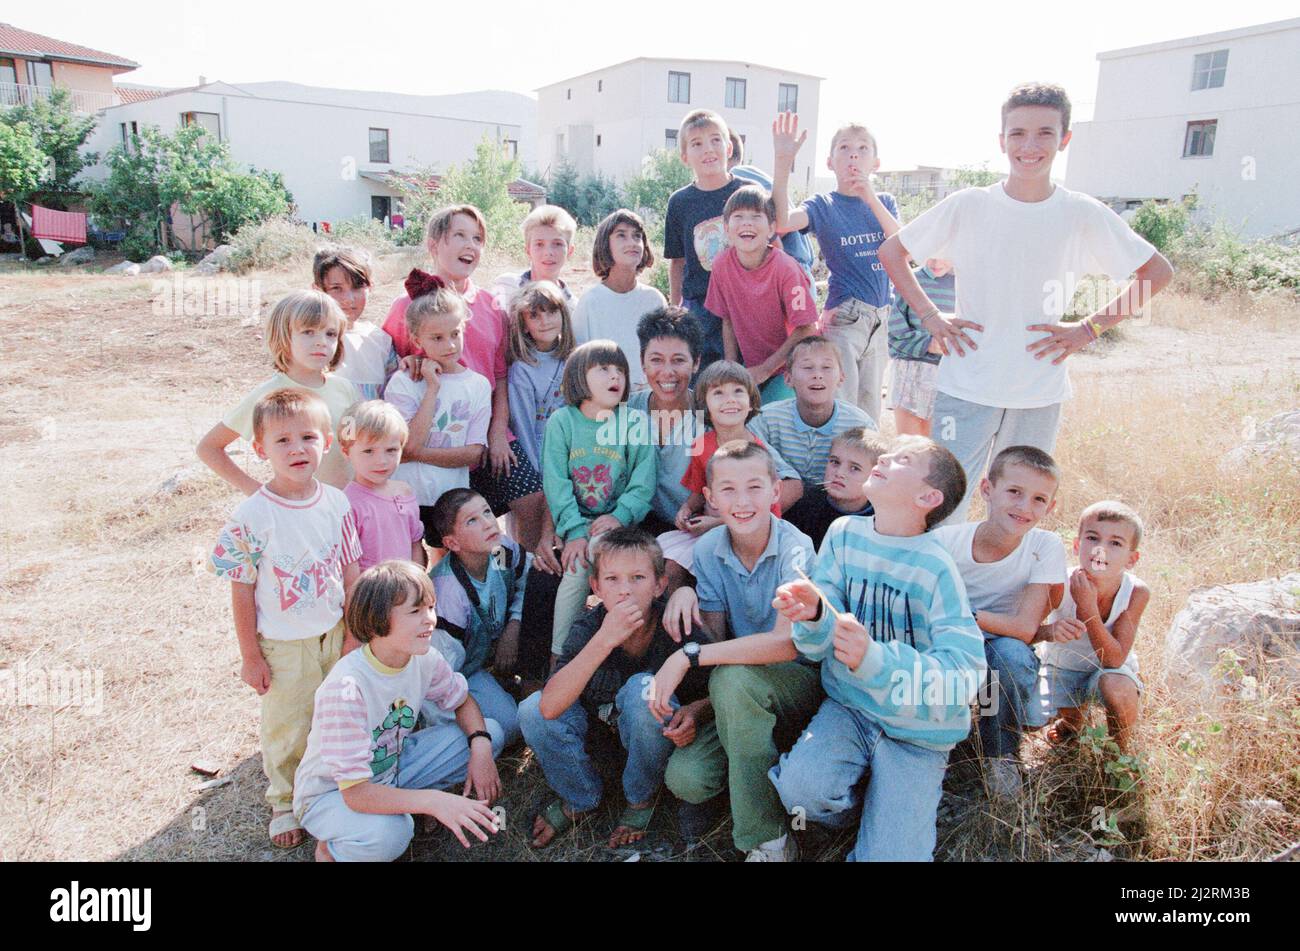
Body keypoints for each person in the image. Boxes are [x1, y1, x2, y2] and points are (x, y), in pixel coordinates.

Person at [880, 82, 1174, 523]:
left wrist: (1087, 329)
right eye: (1017, 133)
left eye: (1044, 133)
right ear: (1002, 141)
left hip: (1037, 389)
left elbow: (1157, 272)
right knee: (942, 507)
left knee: (1017, 510)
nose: (1029, 145)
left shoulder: (1081, 212)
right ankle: (938, 589)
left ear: (1065, 139)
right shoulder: (970, 204)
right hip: (966, 382)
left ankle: (998, 589)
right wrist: (931, 316)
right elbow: (892, 253)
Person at [768, 436, 986, 861]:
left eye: (903, 460)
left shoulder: (936, 566)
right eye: (888, 454)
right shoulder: (844, 534)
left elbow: (965, 673)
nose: (884, 457)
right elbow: (820, 636)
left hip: (918, 732)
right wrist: (814, 615)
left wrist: (876, 660)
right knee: (800, 795)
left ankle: (893, 806)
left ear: (928, 497)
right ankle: (862, 805)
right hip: (851, 706)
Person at [649, 440, 821, 861]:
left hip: (800, 685)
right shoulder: (708, 549)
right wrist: (685, 592)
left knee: (732, 676)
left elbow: (784, 644)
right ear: (708, 498)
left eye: (754, 487)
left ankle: (769, 841)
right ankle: (760, 770)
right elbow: (718, 643)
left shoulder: (795, 548)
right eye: (727, 490)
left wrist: (685, 656)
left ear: (775, 491)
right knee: (686, 778)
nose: (742, 502)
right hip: (739, 691)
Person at [208, 389, 363, 848]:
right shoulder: (253, 514)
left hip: (334, 632)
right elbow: (241, 587)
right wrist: (250, 655)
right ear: (260, 450)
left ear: (328, 441)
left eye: (307, 437)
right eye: (282, 441)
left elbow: (351, 572)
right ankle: (284, 799)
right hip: (283, 642)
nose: (297, 449)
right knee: (289, 723)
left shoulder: (336, 502)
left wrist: (353, 633)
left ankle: (333, 782)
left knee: (334, 712)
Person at [294, 560, 504, 861]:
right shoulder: (346, 688)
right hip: (333, 794)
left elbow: (462, 701)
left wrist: (481, 749)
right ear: (378, 619)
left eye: (431, 608)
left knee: (489, 733)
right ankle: (331, 846)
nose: (430, 619)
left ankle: (402, 806)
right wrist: (433, 802)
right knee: (393, 834)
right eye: (416, 611)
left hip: (390, 769)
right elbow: (355, 793)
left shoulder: (422, 658)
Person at [518, 529, 710, 848]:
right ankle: (581, 798)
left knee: (643, 689)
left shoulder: (675, 624)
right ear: (595, 587)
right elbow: (548, 707)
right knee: (531, 710)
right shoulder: (589, 627)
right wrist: (604, 639)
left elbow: (714, 686)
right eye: (612, 579)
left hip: (654, 744)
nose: (625, 591)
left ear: (660, 585)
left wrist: (695, 711)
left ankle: (641, 799)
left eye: (637, 578)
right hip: (600, 742)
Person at [380, 204, 550, 550]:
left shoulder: (490, 306)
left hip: (485, 430)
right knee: (448, 536)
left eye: (477, 238)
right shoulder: (407, 306)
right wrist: (409, 363)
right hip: (435, 434)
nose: (470, 245)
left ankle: (527, 581)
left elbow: (500, 376)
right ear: (434, 244)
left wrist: (498, 433)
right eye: (459, 235)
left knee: (531, 497)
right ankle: (450, 597)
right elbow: (393, 363)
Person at [931, 445, 1068, 797]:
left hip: (1000, 644)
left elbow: (1023, 630)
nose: (1024, 508)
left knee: (1011, 657)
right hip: (944, 643)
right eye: (1014, 492)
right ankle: (934, 746)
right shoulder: (946, 541)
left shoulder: (1044, 546)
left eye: (1039, 499)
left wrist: (968, 617)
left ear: (1050, 508)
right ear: (987, 489)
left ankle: (999, 755)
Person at [772, 112, 901, 421]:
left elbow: (902, 244)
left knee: (870, 408)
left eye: (862, 148)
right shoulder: (823, 205)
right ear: (830, 162)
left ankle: (864, 468)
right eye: (843, 148)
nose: (853, 154)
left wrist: (869, 196)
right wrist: (782, 163)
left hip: (881, 316)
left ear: (876, 163)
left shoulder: (884, 200)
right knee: (841, 405)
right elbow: (782, 222)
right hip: (846, 315)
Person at [541, 340, 656, 663]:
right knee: (577, 565)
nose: (614, 376)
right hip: (576, 523)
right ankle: (559, 659)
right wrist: (574, 531)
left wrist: (620, 515)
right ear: (579, 376)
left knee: (590, 556)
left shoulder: (634, 422)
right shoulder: (562, 422)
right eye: (603, 369)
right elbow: (556, 482)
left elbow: (643, 481)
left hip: (621, 524)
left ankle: (598, 656)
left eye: (619, 369)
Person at [197, 290, 358, 492]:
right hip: (298, 510)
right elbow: (209, 448)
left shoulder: (345, 389)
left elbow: (353, 444)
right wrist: (258, 493)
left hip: (348, 506)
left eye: (330, 333)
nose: (321, 341)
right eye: (308, 331)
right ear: (283, 335)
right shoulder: (269, 394)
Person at [657, 361, 800, 582]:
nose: (730, 399)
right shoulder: (701, 445)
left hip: (749, 534)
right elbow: (698, 489)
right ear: (705, 404)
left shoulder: (758, 455)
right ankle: (675, 615)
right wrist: (686, 509)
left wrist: (716, 524)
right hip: (708, 528)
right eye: (719, 393)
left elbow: (766, 514)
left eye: (738, 391)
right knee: (671, 569)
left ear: (751, 402)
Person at [382, 271, 491, 548]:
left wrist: (418, 454)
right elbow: (405, 446)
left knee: (449, 558)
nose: (450, 345)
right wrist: (432, 389)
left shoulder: (478, 385)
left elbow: (473, 453)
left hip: (451, 497)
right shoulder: (405, 382)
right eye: (437, 338)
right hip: (406, 495)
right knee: (411, 561)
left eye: (455, 334)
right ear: (418, 341)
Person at [427, 488, 543, 744]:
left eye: (487, 512)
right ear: (452, 543)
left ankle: (518, 683)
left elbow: (531, 581)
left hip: (478, 660)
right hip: (458, 673)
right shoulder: (449, 593)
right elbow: (437, 673)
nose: (488, 523)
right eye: (472, 520)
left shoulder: (498, 551)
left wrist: (514, 624)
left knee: (546, 581)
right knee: (509, 728)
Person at [1039, 501, 1150, 753]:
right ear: (1077, 545)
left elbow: (1113, 659)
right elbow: (1025, 631)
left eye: (1116, 543)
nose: (1101, 549)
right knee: (1023, 715)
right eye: (1092, 538)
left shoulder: (1136, 592)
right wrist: (1048, 631)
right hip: (1061, 669)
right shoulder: (1059, 582)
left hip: (1106, 673)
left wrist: (1087, 608)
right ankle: (1073, 721)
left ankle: (1117, 754)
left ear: (1132, 559)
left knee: (1117, 686)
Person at [746, 335, 875, 541]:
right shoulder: (766, 419)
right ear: (788, 379)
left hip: (837, 512)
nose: (817, 375)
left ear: (841, 377)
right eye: (807, 368)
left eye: (826, 368)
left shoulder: (860, 425)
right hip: (781, 509)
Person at [705, 185, 819, 404]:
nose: (747, 222)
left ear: (771, 228)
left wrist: (766, 369)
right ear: (726, 228)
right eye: (738, 216)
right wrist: (732, 368)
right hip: (752, 370)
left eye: (756, 216)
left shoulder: (786, 268)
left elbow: (807, 328)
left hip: (792, 367)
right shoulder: (721, 265)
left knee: (768, 420)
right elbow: (727, 318)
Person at [664, 109, 746, 372]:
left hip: (744, 302)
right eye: (697, 144)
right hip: (700, 306)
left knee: (742, 382)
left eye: (715, 140)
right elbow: (677, 260)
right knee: (702, 380)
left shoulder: (747, 193)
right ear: (685, 156)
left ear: (729, 146)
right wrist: (675, 308)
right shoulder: (680, 202)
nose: (708, 149)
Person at [506, 280, 575, 576]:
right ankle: (521, 593)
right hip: (536, 465)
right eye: (534, 315)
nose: (544, 320)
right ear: (523, 324)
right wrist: (539, 477)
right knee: (528, 543)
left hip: (571, 459)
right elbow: (522, 426)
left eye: (550, 312)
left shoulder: (575, 358)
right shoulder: (522, 368)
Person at [625, 306, 704, 536]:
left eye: (678, 360)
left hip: (693, 531)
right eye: (656, 360)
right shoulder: (626, 411)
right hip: (635, 528)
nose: (667, 372)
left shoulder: (711, 415)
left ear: (696, 362)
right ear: (642, 362)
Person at [572, 209, 665, 391]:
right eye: (621, 236)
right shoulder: (590, 302)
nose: (632, 243)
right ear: (605, 245)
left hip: (647, 400)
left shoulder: (654, 300)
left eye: (637, 236)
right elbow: (578, 362)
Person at [339, 400, 425, 570]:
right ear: (346, 452)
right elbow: (348, 565)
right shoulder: (346, 503)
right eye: (368, 451)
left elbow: (415, 543)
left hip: (408, 588)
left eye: (391, 450)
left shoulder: (405, 492)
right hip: (371, 592)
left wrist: (418, 583)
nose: (381, 461)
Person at [727, 127, 815, 283]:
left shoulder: (738, 176)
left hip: (789, 272)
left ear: (727, 150)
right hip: (798, 267)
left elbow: (778, 224)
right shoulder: (753, 173)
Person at [313, 245, 396, 400]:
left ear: (370, 287)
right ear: (318, 290)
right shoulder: (309, 342)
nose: (349, 299)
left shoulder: (381, 341)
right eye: (336, 288)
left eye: (357, 287)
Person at [886, 258, 953, 436]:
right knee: (909, 442)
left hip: (949, 374)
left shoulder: (967, 285)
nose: (937, 261)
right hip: (910, 370)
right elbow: (893, 329)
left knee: (939, 444)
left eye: (943, 254)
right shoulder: (908, 280)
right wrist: (927, 343)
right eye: (930, 253)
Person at [796, 426, 887, 549]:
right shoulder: (805, 504)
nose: (839, 473)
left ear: (875, 475)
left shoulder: (881, 518)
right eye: (835, 462)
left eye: (854, 468)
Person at [490, 204, 578, 303]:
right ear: (528, 250)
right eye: (539, 244)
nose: (548, 253)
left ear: (570, 251)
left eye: (557, 244)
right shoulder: (506, 286)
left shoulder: (573, 307)